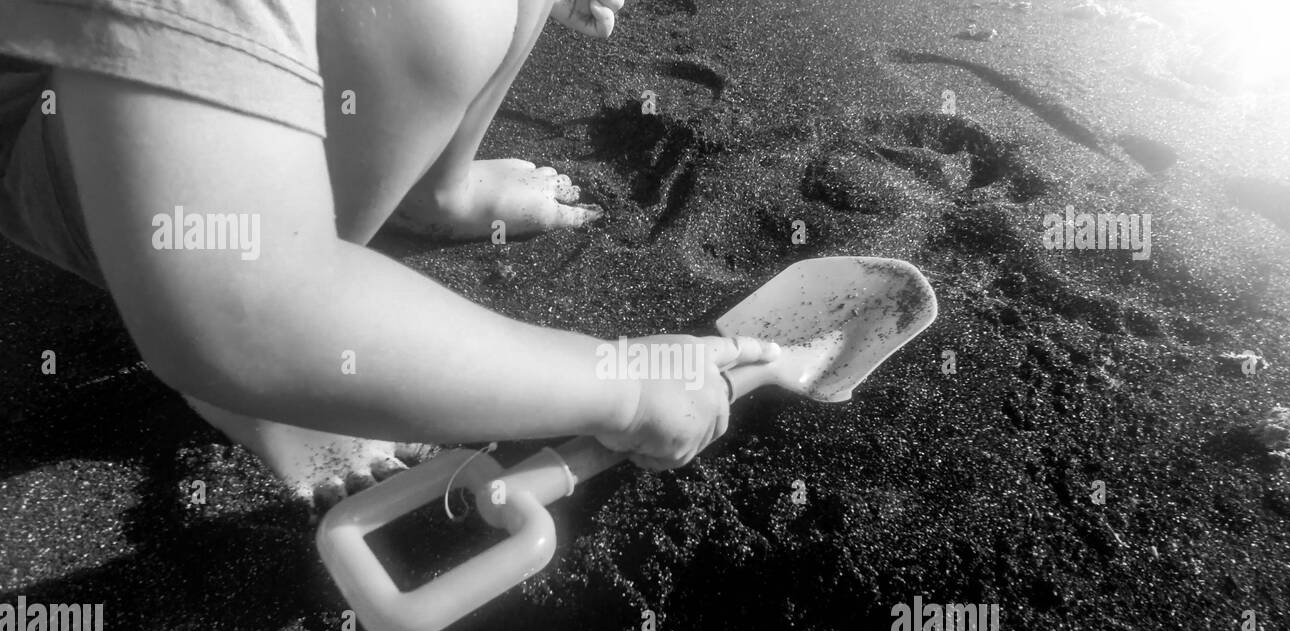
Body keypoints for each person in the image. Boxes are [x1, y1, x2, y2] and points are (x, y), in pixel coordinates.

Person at [0, 0, 779, 507]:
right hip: (91, 159)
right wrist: (624, 390)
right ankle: (269, 386)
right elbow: (241, 313)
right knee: (439, 14)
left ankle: (433, 190)